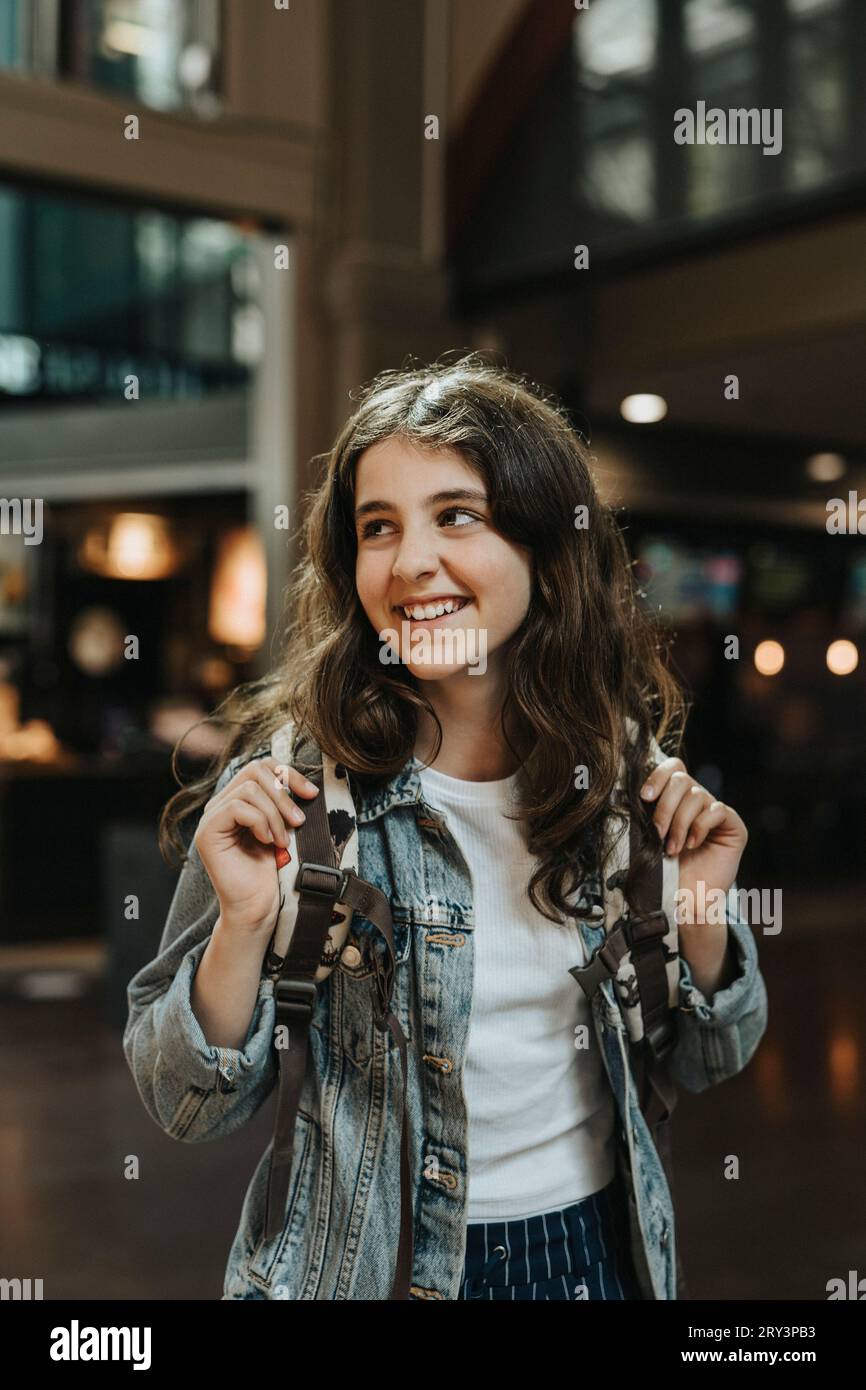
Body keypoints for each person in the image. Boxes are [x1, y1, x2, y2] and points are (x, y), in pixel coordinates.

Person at [123, 354, 768, 1300]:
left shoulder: (621, 774)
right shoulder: (295, 788)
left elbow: (710, 1057)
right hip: (369, 1271)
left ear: (546, 555)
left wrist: (702, 908)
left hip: (597, 1259)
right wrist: (242, 925)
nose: (409, 561)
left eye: (455, 515)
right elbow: (187, 1103)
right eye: (377, 527)